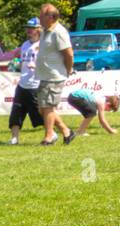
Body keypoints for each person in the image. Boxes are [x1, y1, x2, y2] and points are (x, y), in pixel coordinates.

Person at [35, 4, 73, 145]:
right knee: (42, 108)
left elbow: (69, 54)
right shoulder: (46, 30)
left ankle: (49, 136)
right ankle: (66, 131)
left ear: (51, 17)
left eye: (41, 16)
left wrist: (68, 70)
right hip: (44, 75)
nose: (39, 18)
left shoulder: (59, 32)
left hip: (54, 75)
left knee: (48, 107)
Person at [8, 18, 44, 145]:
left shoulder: (43, 45)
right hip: (22, 84)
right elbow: (21, 60)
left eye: (31, 28)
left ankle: (53, 133)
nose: (28, 30)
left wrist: (36, 66)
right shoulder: (25, 44)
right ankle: (14, 138)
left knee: (39, 113)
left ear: (38, 29)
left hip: (35, 84)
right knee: (16, 111)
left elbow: (48, 64)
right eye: (27, 28)